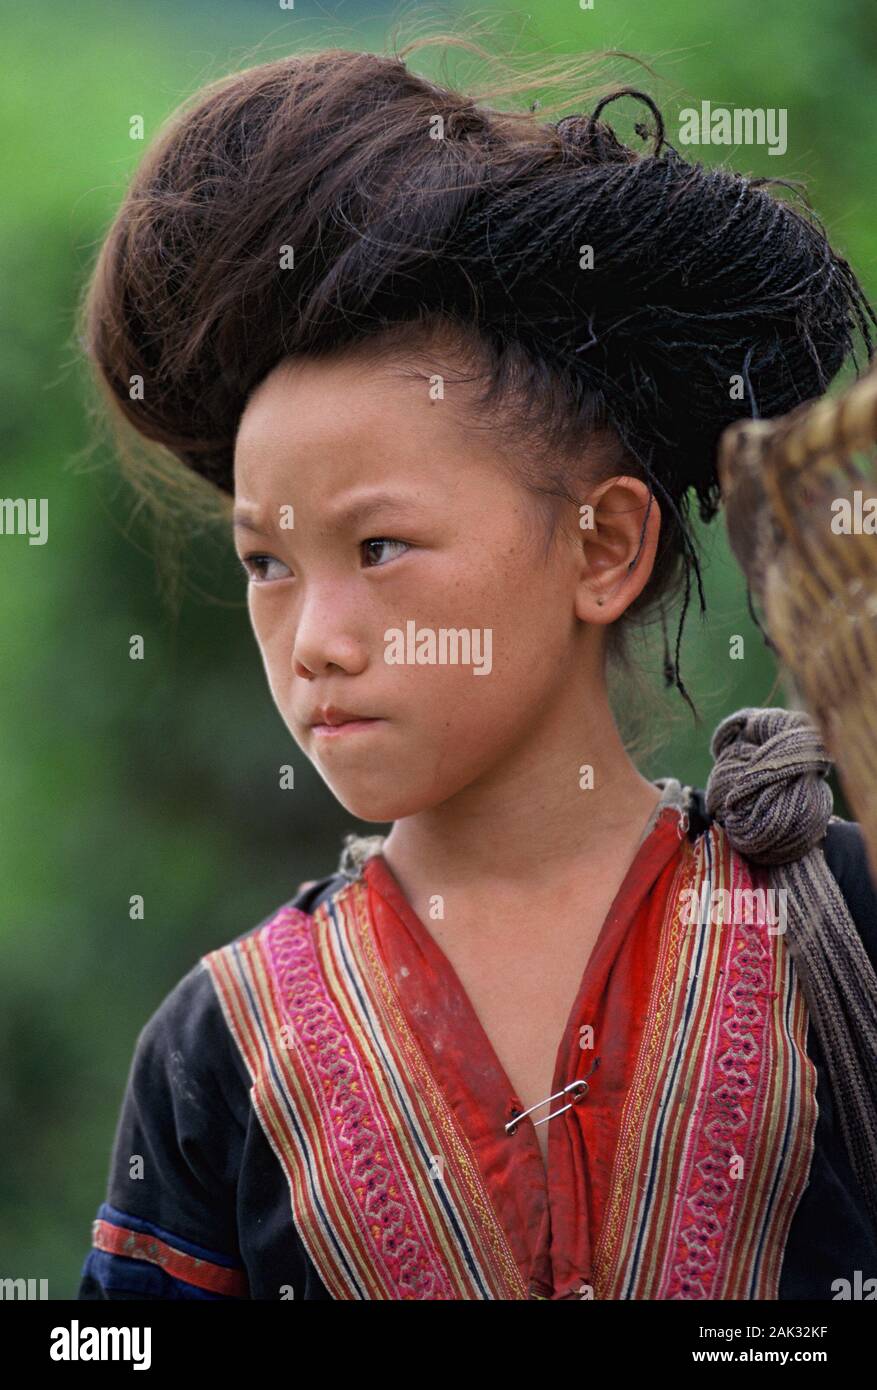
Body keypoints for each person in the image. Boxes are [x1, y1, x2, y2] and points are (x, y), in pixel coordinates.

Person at [76, 41, 877, 1300]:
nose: (315, 638)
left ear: (602, 545)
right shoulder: (216, 1050)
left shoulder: (837, 926)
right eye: (267, 562)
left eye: (379, 546)